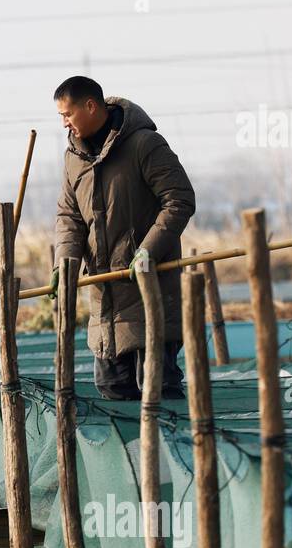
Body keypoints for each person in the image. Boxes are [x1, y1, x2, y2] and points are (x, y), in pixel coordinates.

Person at [50, 76, 196, 400]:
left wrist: (148, 250)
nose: (64, 124)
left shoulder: (144, 144)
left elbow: (180, 199)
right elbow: (69, 217)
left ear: (90, 106)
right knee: (112, 391)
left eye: (67, 114)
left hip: (149, 294)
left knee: (158, 391)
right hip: (104, 305)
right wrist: (65, 262)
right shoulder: (73, 159)